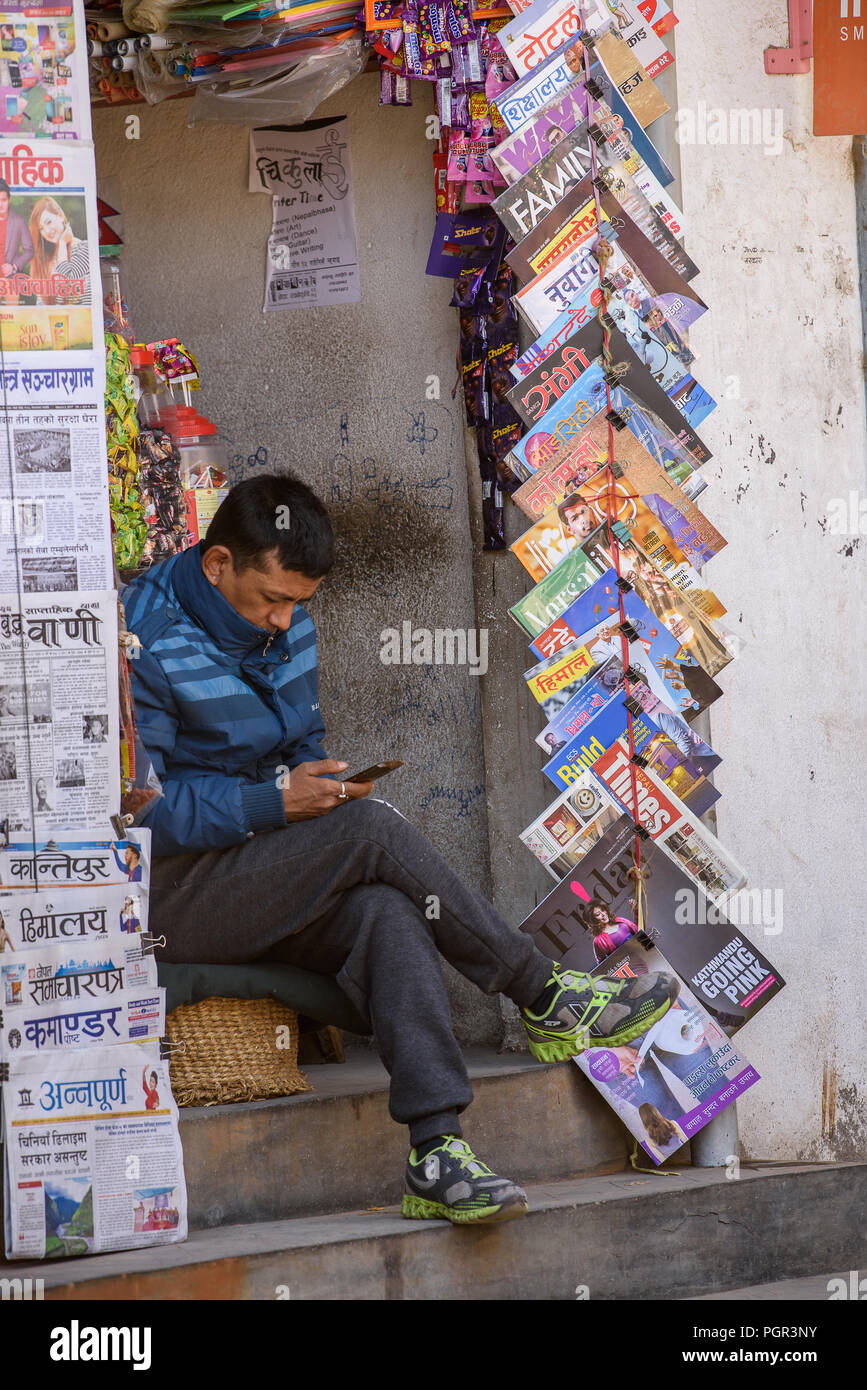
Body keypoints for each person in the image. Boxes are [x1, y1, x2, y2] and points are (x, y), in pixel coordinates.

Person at [123, 474, 676, 1226]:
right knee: (373, 830)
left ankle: (436, 1150)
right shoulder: (140, 638)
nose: (285, 622)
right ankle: (543, 994)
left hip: (263, 870)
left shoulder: (290, 628)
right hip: (171, 894)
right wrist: (273, 802)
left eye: (299, 604)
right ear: (217, 563)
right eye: (270, 601)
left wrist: (315, 786)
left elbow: (298, 750)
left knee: (386, 909)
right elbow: (139, 811)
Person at [27, 195, 91, 306]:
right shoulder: (47, 261)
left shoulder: (84, 248)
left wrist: (62, 244)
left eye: (48, 222)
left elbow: (67, 282)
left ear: (60, 216)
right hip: (55, 322)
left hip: (83, 321)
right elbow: (41, 305)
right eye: (41, 228)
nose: (47, 231)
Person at [0, 179, 34, 305]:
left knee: (13, 316)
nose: (0, 204)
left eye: (3, 200)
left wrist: (14, 267)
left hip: (10, 279)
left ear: (9, 200)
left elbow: (29, 250)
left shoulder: (18, 220)